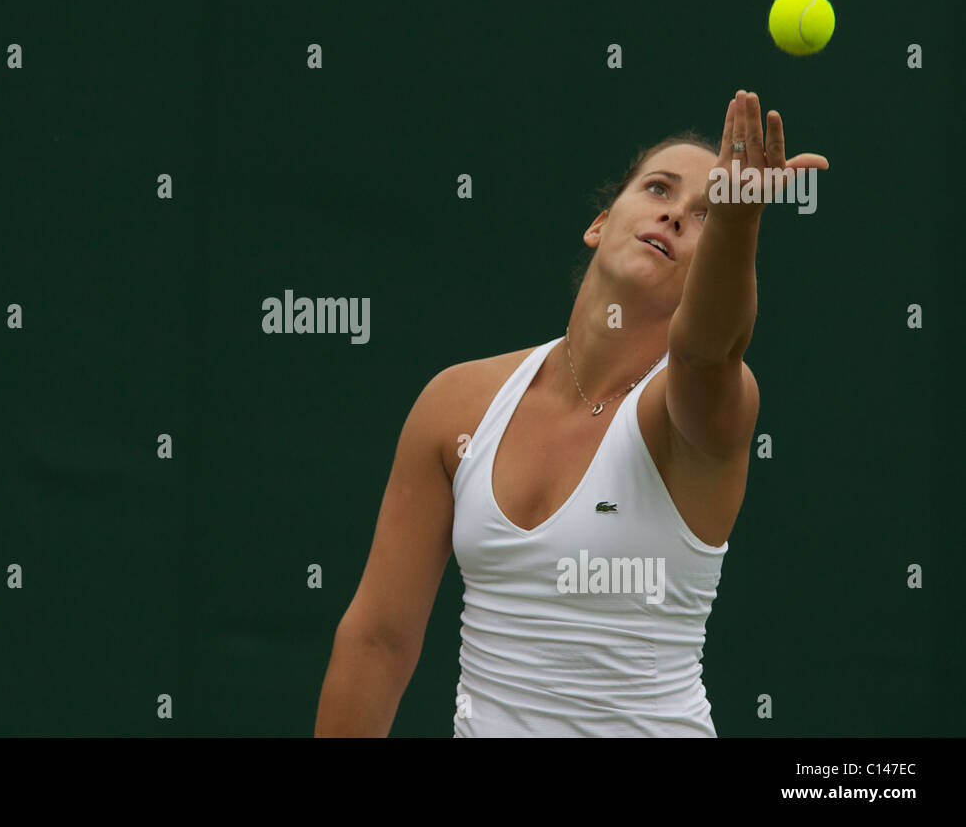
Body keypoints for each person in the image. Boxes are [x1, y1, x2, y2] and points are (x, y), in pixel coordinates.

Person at [314, 90, 829, 737]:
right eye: (659, 190)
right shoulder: (456, 406)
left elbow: (706, 350)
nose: (674, 216)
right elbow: (378, 640)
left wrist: (738, 222)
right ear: (601, 222)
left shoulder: (695, 408)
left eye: (704, 214)